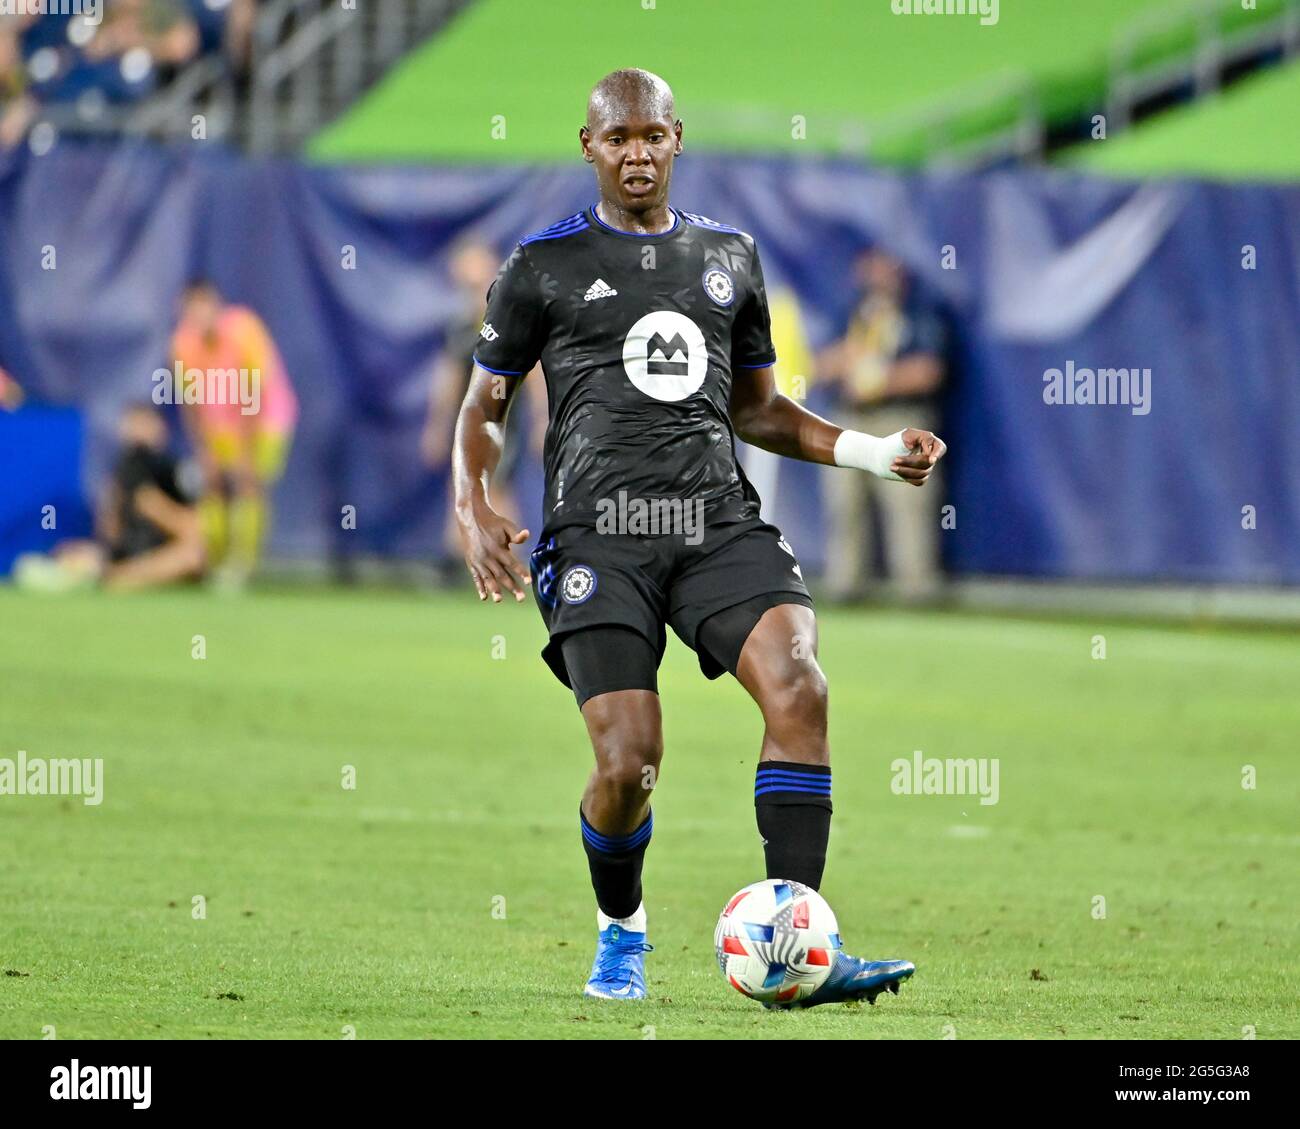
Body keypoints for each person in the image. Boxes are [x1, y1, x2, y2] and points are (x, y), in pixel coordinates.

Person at [452, 69, 946, 1007]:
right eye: (618, 138)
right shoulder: (539, 267)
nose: (636, 153)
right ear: (589, 147)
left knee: (801, 685)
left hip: (713, 521)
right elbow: (486, 404)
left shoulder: (730, 257)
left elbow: (759, 410)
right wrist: (472, 502)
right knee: (628, 759)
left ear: (678, 139)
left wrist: (874, 452)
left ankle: (803, 940)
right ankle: (621, 932)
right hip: (598, 534)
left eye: (652, 135)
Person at [820, 249, 950, 602]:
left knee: (907, 503)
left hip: (899, 418)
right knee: (844, 503)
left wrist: (879, 381)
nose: (878, 276)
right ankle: (845, 584)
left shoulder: (919, 313)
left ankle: (916, 586)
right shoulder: (850, 311)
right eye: (871, 267)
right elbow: (820, 363)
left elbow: (928, 370)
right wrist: (845, 363)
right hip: (850, 418)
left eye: (886, 268)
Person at [421, 239, 545, 581]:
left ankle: (512, 563)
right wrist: (436, 426)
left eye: (477, 282)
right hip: (468, 421)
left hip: (500, 422)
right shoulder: (461, 327)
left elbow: (533, 374)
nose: (471, 289)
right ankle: (459, 562)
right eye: (465, 283)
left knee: (496, 489)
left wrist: (540, 420)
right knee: (460, 486)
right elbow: (447, 380)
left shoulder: (509, 322)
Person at [171, 280, 298, 586]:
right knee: (212, 484)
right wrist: (203, 450)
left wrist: (245, 451)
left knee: (248, 482)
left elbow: (253, 396)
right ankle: (211, 562)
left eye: (205, 305)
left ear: (217, 305)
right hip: (220, 423)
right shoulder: (182, 345)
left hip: (267, 420)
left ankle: (243, 566)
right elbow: (191, 405)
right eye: (192, 309)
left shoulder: (245, 330)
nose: (199, 315)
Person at [14, 404, 205, 592]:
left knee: (193, 555)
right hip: (135, 550)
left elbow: (187, 524)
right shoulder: (130, 468)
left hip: (158, 550)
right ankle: (115, 575)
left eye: (146, 423)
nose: (139, 432)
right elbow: (113, 523)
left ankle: (120, 576)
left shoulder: (172, 468)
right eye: (134, 424)